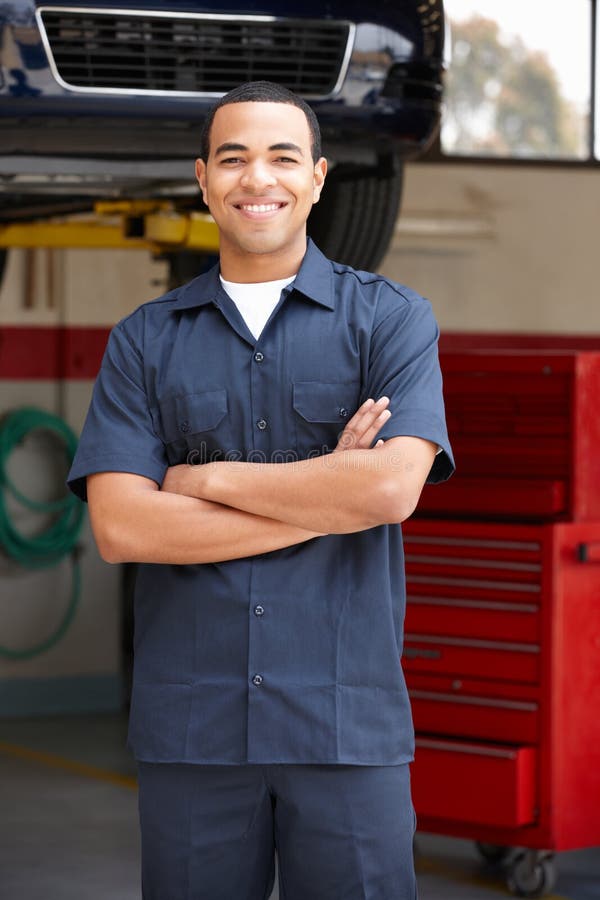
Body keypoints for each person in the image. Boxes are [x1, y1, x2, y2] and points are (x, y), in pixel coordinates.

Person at [67, 80, 454, 900]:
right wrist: (323, 496)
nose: (258, 179)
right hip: (192, 733)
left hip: (347, 728)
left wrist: (205, 481)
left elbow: (387, 492)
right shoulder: (144, 342)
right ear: (203, 179)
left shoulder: (390, 321)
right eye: (233, 158)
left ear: (318, 178)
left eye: (282, 157)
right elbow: (124, 528)